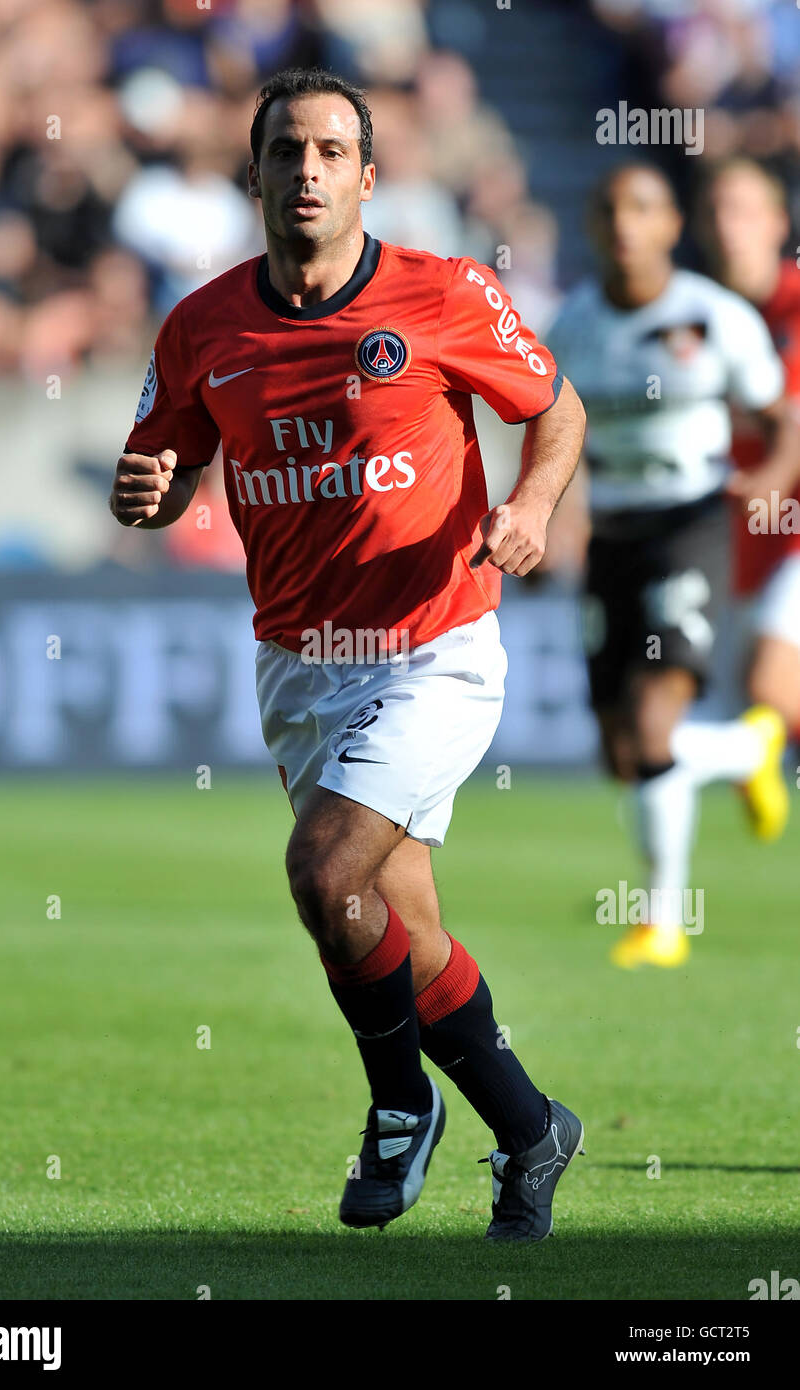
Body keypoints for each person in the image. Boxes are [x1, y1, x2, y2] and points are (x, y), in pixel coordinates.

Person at [110, 67, 587, 1241]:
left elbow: (557, 409)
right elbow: (163, 478)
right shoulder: (202, 326)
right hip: (296, 661)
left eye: (331, 151)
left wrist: (527, 510)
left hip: (434, 645)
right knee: (388, 924)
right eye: (286, 152)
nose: (307, 170)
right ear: (256, 174)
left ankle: (396, 1107)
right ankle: (530, 1131)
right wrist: (149, 496)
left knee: (322, 871)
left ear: (369, 178)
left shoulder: (443, 294)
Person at [546, 163, 798, 971]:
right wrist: (549, 513)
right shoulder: (573, 325)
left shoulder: (712, 316)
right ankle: (744, 753)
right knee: (621, 748)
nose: (625, 223)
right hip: (614, 537)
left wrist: (768, 478)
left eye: (643, 208)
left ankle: (662, 920)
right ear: (591, 225)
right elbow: (555, 431)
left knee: (656, 720)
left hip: (690, 525)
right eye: (609, 208)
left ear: (668, 227)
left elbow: (779, 413)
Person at [696, 157, 800, 740]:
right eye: (715, 212)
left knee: (770, 688)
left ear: (778, 223)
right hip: (739, 543)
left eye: (743, 211)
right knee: (740, 725)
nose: (727, 225)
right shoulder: (700, 318)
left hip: (793, 534)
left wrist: (771, 477)